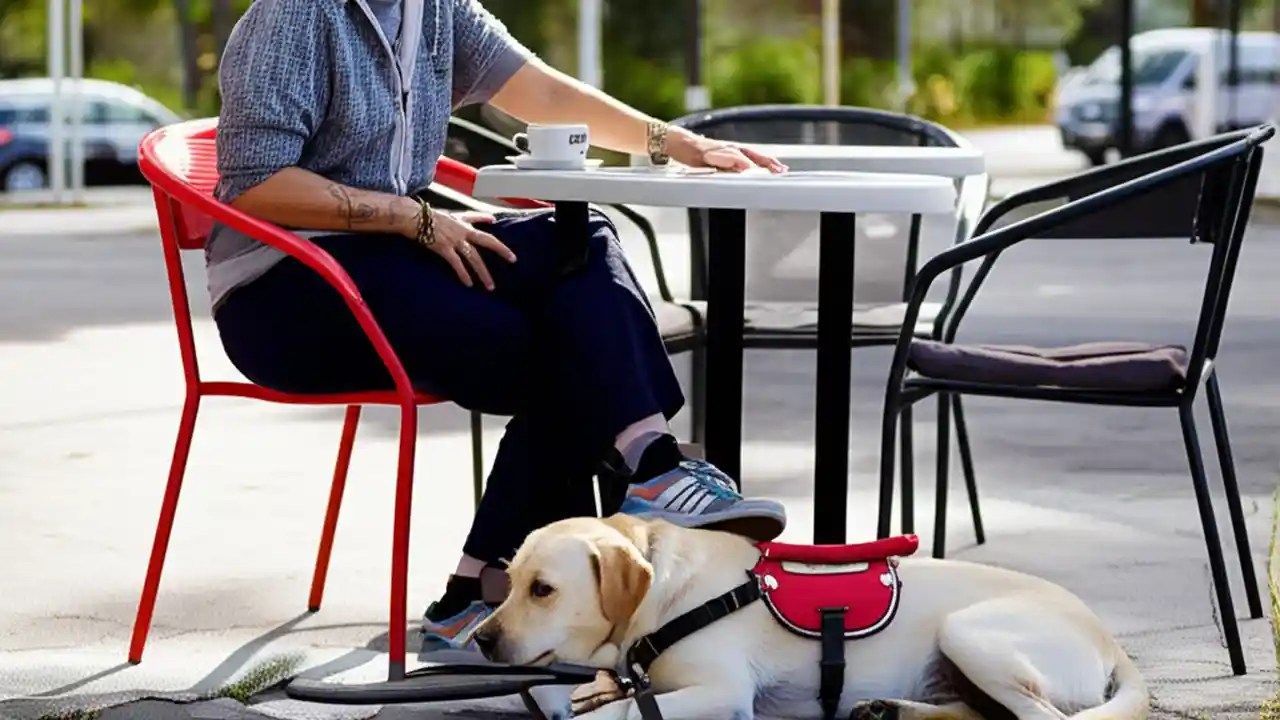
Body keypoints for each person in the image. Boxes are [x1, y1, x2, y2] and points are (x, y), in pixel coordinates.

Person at [211, 0, 789, 651]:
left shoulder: (436, 10)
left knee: (581, 238)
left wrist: (673, 141)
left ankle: (647, 470)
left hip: (394, 251)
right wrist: (411, 218)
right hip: (282, 291)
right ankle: (482, 590)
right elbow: (256, 183)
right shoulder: (295, 15)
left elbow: (538, 89)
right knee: (566, 353)